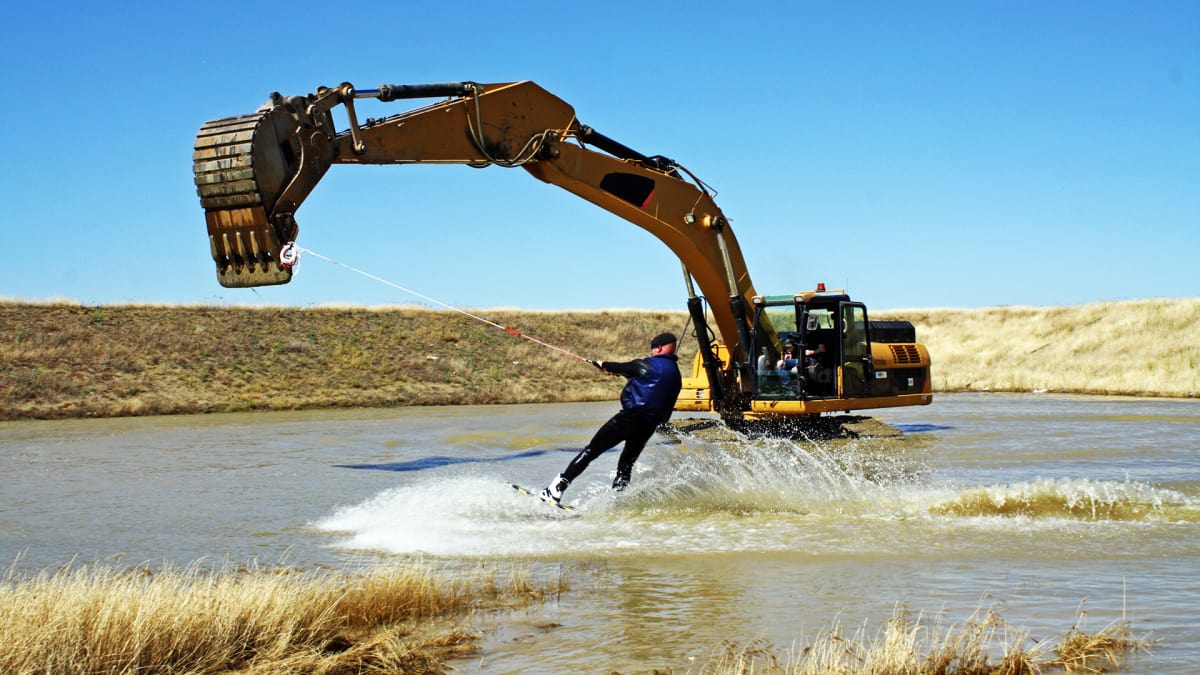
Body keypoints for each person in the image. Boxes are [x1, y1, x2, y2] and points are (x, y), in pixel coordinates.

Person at [540, 332, 683, 504]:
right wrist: (618, 371)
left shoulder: (645, 365)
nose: (651, 353)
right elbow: (642, 379)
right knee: (626, 465)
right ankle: (618, 500)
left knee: (591, 451)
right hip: (648, 426)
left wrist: (603, 364)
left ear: (659, 347)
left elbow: (620, 367)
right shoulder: (676, 374)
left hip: (628, 420)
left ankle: (557, 488)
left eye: (653, 349)